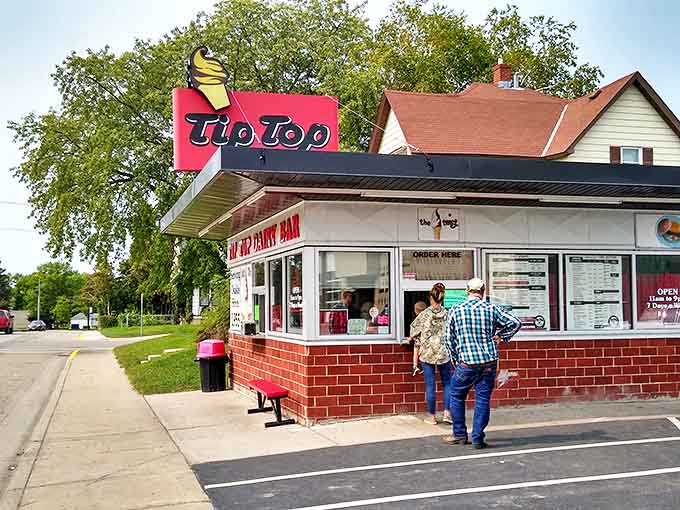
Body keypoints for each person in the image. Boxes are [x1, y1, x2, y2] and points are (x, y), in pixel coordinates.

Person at [442, 278, 521, 448]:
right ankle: (478, 438)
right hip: (488, 363)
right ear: (483, 291)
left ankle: (459, 434)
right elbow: (515, 322)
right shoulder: (491, 308)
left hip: (466, 362)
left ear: (467, 291)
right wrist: (501, 336)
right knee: (482, 399)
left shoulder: (456, 310)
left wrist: (456, 360)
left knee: (456, 396)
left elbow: (448, 339)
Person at [409, 283, 452, 425]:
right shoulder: (447, 313)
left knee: (430, 385)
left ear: (430, 297)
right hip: (444, 352)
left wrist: (411, 338)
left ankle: (432, 417)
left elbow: (413, 331)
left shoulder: (424, 314)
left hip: (427, 353)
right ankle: (447, 413)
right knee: (447, 384)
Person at [410, 301, 427, 376]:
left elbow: (415, 331)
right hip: (426, 340)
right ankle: (422, 366)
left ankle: (415, 366)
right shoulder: (427, 318)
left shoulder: (418, 319)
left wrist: (410, 338)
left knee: (416, 350)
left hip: (419, 339)